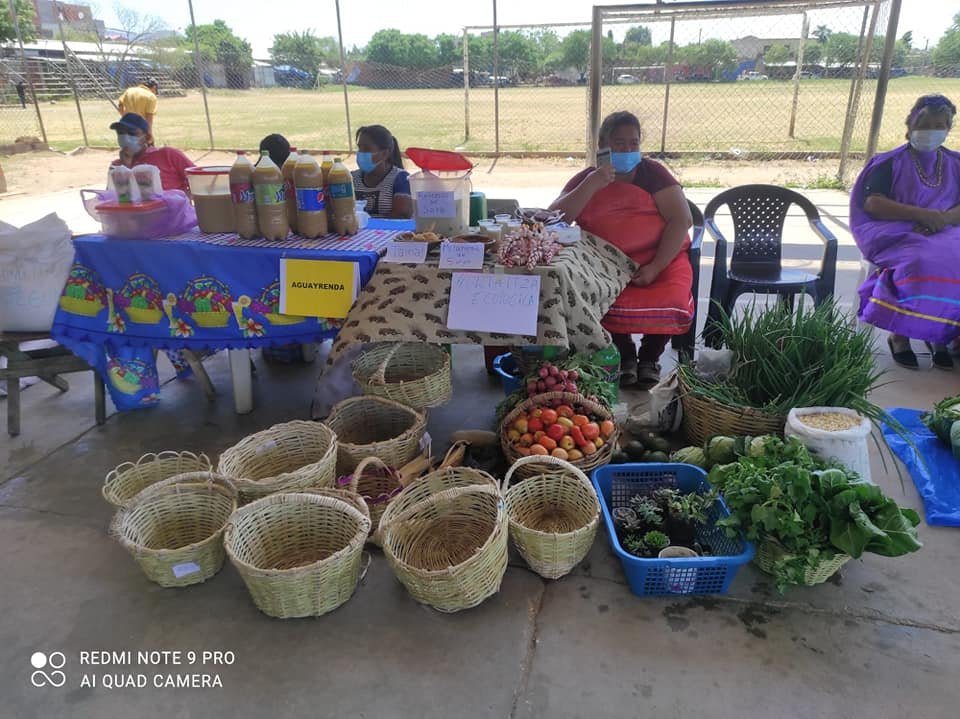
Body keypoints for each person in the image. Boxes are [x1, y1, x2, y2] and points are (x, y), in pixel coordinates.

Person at [549, 110, 693, 388]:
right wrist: (593, 184)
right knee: (583, 290)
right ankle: (624, 353)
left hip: (658, 256)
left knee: (671, 294)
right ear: (603, 145)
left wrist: (655, 267)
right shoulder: (589, 177)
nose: (627, 149)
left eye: (633, 143)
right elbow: (556, 218)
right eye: (619, 143)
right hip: (603, 262)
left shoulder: (654, 174)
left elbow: (681, 220)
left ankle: (650, 357)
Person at [851, 94, 960, 371]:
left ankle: (942, 336)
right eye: (925, 123)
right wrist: (922, 215)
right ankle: (899, 336)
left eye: (940, 125)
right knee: (922, 261)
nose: (932, 130)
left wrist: (943, 218)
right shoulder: (889, 162)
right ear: (910, 124)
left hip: (946, 229)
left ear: (948, 129)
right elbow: (873, 204)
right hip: (894, 229)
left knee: (953, 257)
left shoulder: (955, 163)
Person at [109, 113, 192, 194]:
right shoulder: (116, 167)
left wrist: (183, 199)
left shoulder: (168, 155)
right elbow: (116, 199)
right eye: (120, 133)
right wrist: (126, 167)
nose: (125, 138)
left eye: (132, 133)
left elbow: (200, 179)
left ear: (147, 138)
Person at [351, 125, 413, 218]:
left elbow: (402, 214)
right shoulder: (351, 178)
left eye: (367, 149)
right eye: (360, 148)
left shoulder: (401, 179)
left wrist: (365, 221)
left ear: (384, 154)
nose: (361, 153)